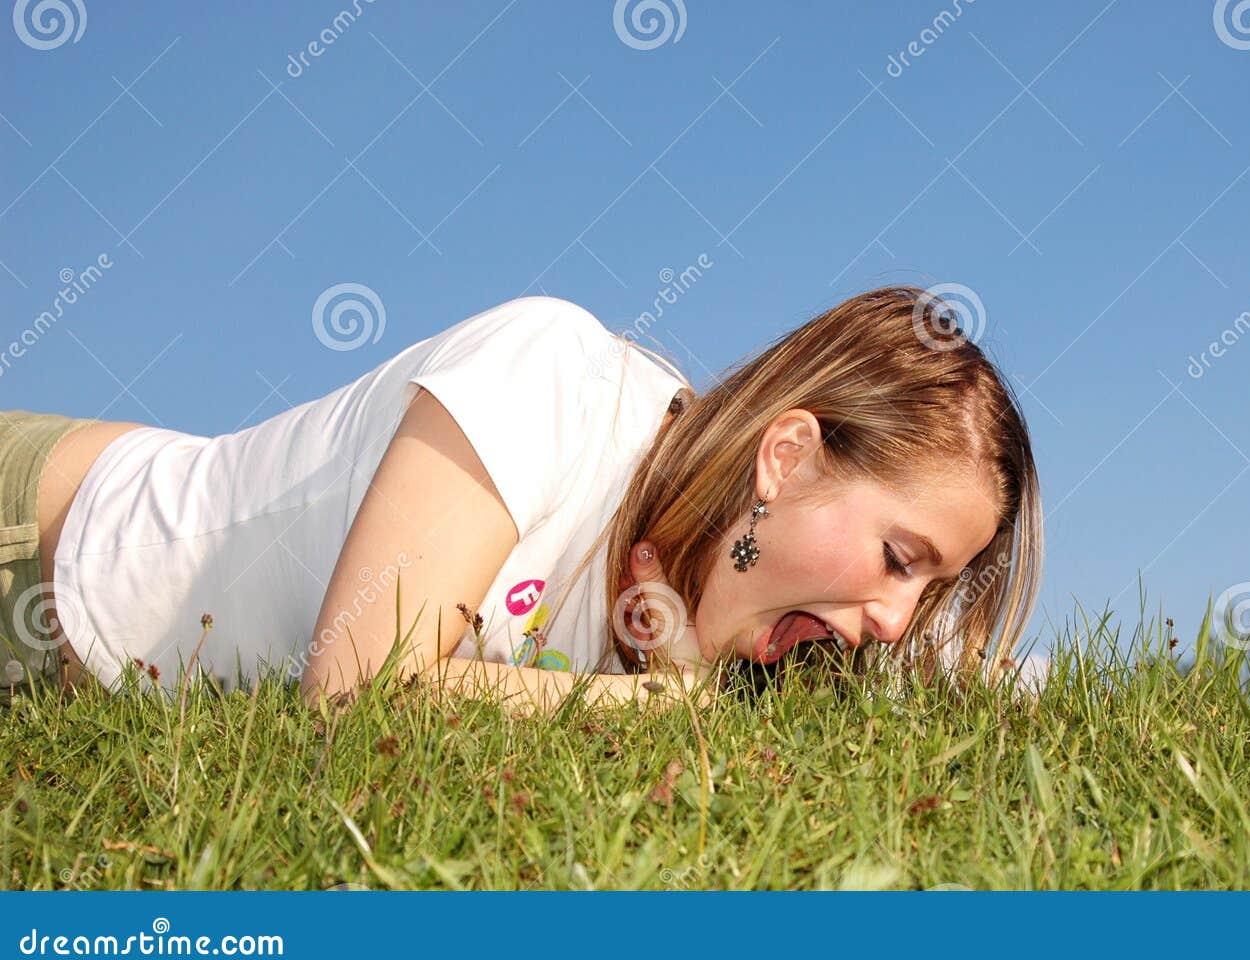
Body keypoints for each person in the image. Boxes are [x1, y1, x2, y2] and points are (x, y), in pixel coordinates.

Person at [0, 285, 1042, 715]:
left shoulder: (741, 625)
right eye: (901, 560)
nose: (897, 623)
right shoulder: (552, 378)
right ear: (787, 457)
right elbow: (357, 688)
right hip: (36, 540)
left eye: (932, 585)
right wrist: (653, 709)